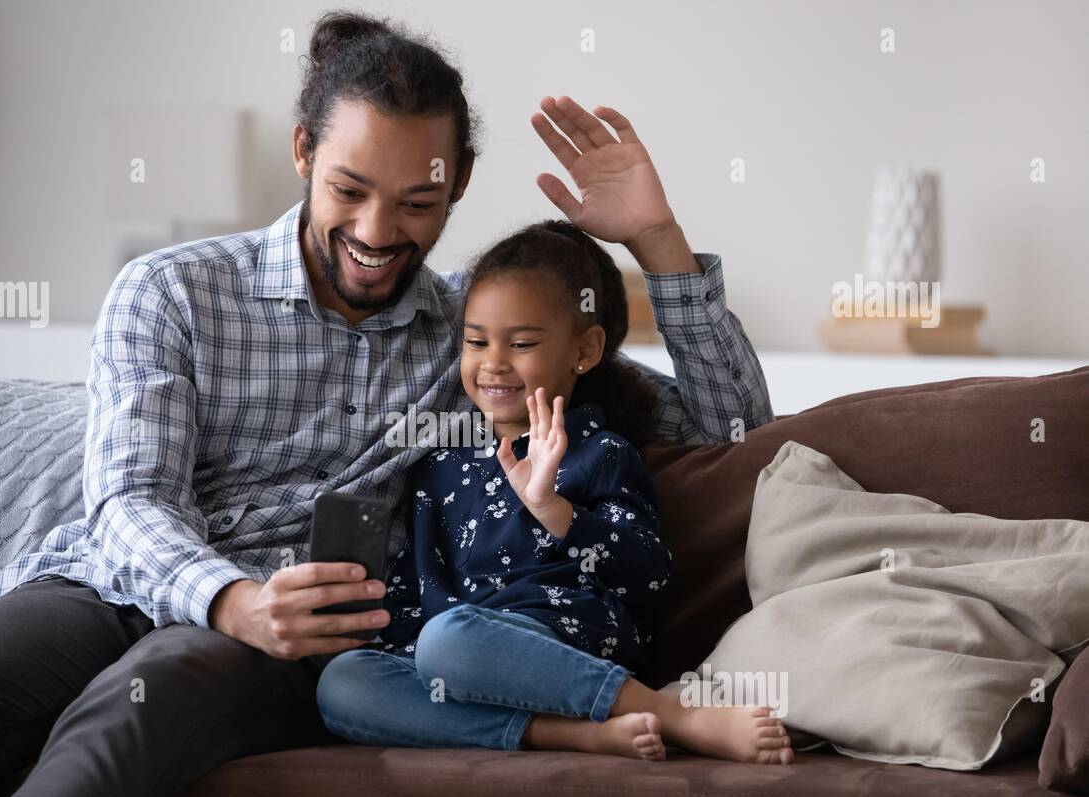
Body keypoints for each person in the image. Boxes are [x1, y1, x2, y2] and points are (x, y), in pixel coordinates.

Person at [0, 10, 775, 797]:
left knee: (136, 708)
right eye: (350, 189)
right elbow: (129, 501)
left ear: (458, 187)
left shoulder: (474, 343)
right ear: (302, 154)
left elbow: (733, 427)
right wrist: (228, 597)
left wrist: (657, 240)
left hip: (305, 632)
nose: (377, 231)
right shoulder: (175, 292)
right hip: (119, 583)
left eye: (416, 203)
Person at [316, 221, 793, 763]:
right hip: (460, 653)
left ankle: (676, 716)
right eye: (476, 341)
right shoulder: (440, 464)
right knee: (345, 682)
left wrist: (551, 508)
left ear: (585, 350)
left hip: (562, 644)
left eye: (521, 344)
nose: (493, 362)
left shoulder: (600, 452)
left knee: (451, 641)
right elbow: (417, 584)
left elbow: (648, 574)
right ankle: (564, 733)